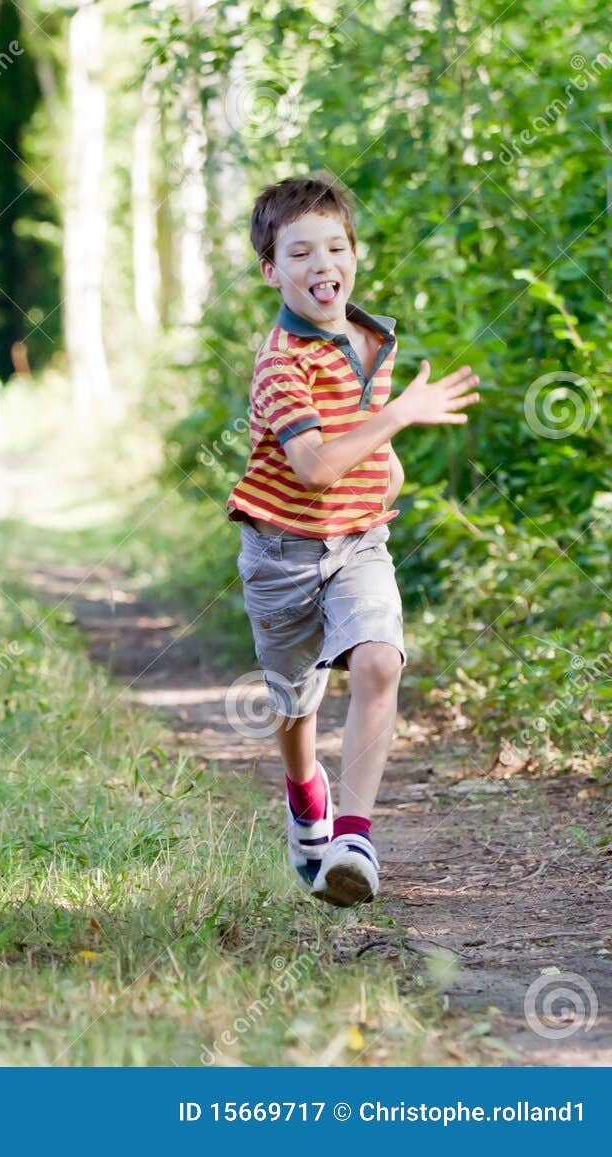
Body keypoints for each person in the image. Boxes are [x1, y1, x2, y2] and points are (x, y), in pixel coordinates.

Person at [226, 173, 480, 906]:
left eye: (335, 247)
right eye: (299, 253)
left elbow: (364, 444)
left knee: (378, 662)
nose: (321, 265)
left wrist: (385, 473)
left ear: (355, 255)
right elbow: (312, 468)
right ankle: (306, 791)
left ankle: (355, 836)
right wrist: (399, 418)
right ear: (271, 271)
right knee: (295, 705)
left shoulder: (374, 340)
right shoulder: (280, 364)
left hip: (360, 545)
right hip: (281, 557)